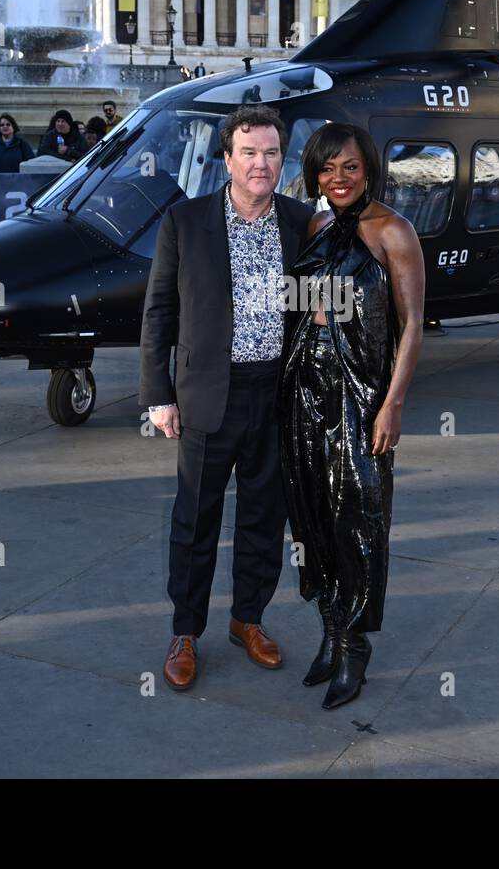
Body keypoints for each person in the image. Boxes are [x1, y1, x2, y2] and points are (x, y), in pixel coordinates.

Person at [140, 104, 316, 692]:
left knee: (267, 518)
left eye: (270, 152)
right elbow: (159, 313)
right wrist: (158, 396)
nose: (261, 163)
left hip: (277, 396)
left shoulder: (301, 221)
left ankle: (249, 620)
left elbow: (325, 304)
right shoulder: (185, 222)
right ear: (227, 159)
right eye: (249, 152)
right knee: (196, 519)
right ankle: (185, 632)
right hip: (207, 395)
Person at [278, 122, 424, 709]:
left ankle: (355, 646)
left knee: (358, 520)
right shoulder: (314, 226)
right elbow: (301, 306)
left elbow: (413, 324)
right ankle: (331, 633)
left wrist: (391, 404)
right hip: (303, 382)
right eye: (327, 169)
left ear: (369, 171)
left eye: (350, 168)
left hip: (362, 391)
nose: (337, 179)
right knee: (312, 515)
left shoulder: (393, 230)